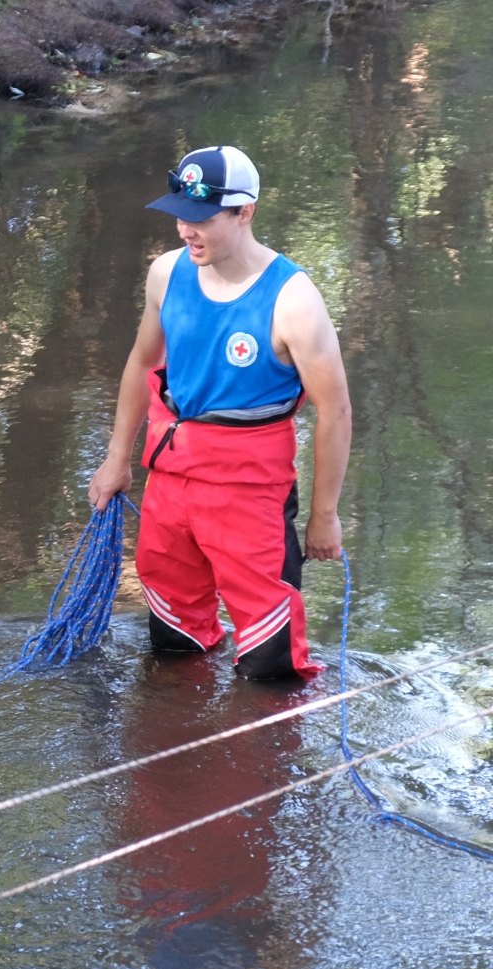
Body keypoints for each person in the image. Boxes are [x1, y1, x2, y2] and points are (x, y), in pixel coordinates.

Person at [87, 145, 352, 680]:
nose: (186, 230)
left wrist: (324, 515)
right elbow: (143, 362)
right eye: (180, 216)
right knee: (173, 647)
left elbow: (335, 411)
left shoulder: (293, 300)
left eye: (203, 219)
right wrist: (116, 459)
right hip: (169, 483)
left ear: (244, 212)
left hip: (248, 494)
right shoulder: (167, 273)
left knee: (272, 668)